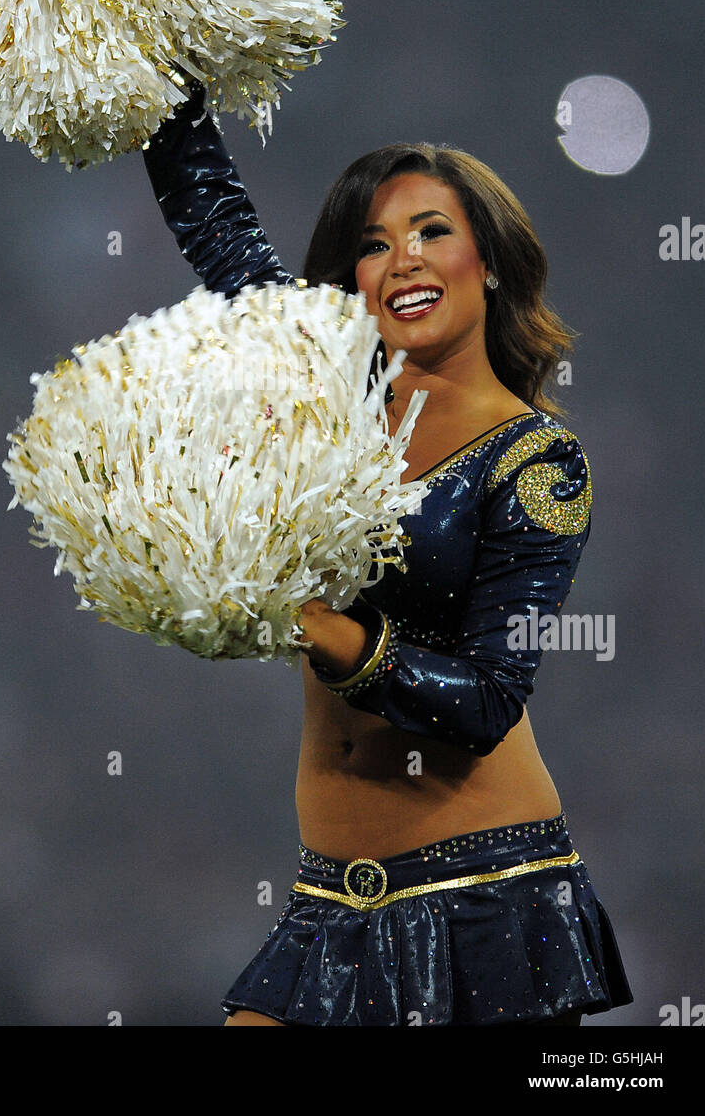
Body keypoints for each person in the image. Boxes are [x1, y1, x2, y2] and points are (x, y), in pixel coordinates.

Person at [140, 77, 633, 1027]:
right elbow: (217, 223)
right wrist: (151, 62)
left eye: (431, 231)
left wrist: (327, 630)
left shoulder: (536, 463)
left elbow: (487, 700)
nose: (401, 257)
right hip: (331, 901)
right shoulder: (323, 392)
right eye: (372, 244)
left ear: (490, 261)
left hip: (487, 903)